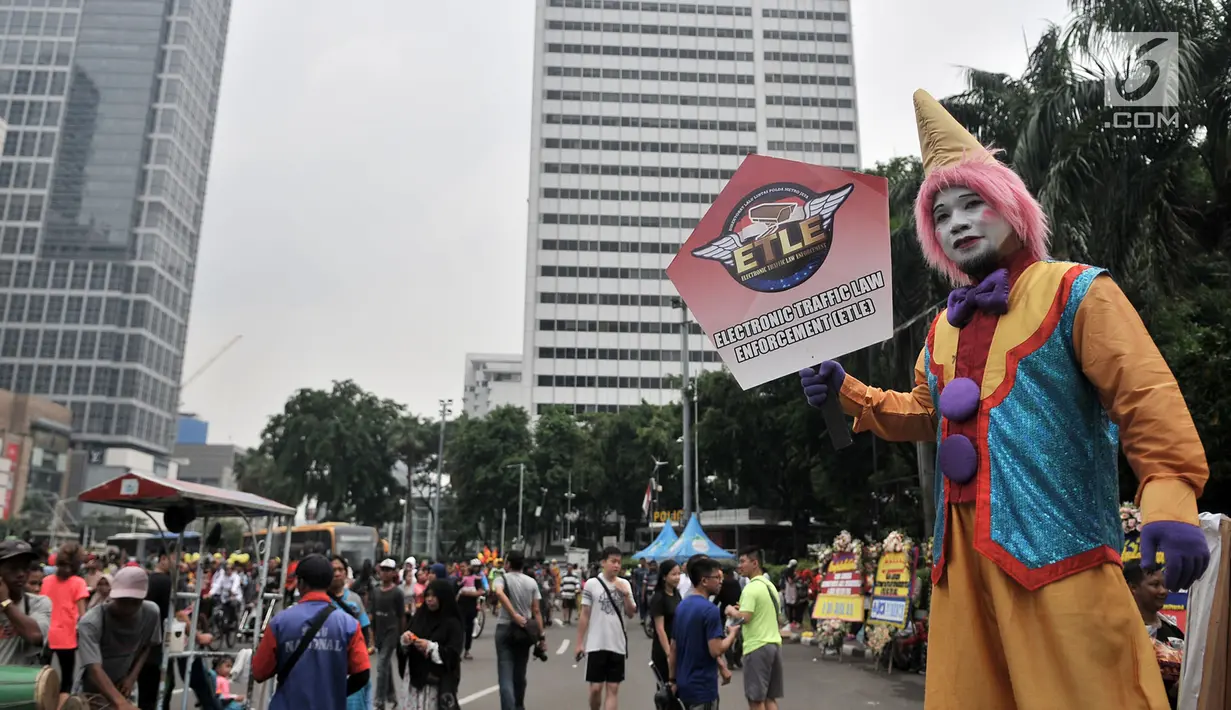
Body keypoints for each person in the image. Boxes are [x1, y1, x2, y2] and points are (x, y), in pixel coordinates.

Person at [798, 88, 1210, 710]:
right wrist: (846, 391)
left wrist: (1172, 499)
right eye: (942, 214)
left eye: (973, 203)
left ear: (1012, 209)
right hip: (960, 575)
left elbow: (1145, 400)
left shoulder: (1075, 291)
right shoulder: (941, 331)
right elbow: (926, 415)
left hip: (1060, 557)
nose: (958, 222)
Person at [252, 554, 371, 710]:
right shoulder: (350, 625)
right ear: (328, 583)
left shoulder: (279, 623)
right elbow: (362, 675)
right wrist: (337, 694)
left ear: (300, 583)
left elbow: (259, 672)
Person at [76, 567, 163, 710]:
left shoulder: (151, 613)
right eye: (123, 601)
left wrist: (131, 678)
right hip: (92, 690)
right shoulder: (91, 622)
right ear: (114, 596)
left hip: (124, 685)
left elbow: (147, 646)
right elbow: (94, 668)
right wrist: (120, 703)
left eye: (134, 602)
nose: (128, 608)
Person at [669, 558, 740, 710]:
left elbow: (673, 647)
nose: (721, 581)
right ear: (704, 581)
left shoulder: (682, 606)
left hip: (684, 685)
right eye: (717, 578)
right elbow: (716, 649)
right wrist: (732, 634)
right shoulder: (710, 610)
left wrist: (672, 680)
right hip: (703, 688)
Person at [577, 546, 637, 710]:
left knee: (613, 689)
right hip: (596, 644)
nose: (616, 566)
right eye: (613, 562)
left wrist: (625, 595)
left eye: (619, 562)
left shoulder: (625, 584)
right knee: (596, 688)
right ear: (603, 562)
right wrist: (579, 643)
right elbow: (585, 614)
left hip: (617, 644)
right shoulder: (591, 584)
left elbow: (631, 613)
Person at [726, 546, 782, 710]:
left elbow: (745, 617)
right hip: (774, 645)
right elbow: (770, 613)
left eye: (743, 561)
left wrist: (730, 611)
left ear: (755, 563)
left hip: (757, 646)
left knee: (756, 699)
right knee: (769, 698)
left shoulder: (751, 587)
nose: (739, 566)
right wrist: (742, 609)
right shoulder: (769, 586)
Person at [1124, 560, 1184, 708]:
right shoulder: (1124, 633)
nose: (1163, 591)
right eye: (1155, 585)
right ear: (1133, 587)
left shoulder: (1174, 630)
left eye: (1164, 585)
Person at [400, 578, 465, 710]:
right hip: (415, 680)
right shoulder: (419, 617)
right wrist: (405, 641)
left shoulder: (452, 623)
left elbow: (453, 654)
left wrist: (430, 647)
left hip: (436, 683)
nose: (430, 599)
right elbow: (404, 646)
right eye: (428, 595)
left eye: (434, 596)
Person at [492, 550, 545, 710]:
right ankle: (519, 706)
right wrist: (541, 637)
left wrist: (513, 615)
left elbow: (499, 593)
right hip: (525, 631)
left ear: (508, 564)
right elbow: (536, 611)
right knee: (520, 673)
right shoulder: (531, 583)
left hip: (505, 628)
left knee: (505, 674)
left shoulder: (502, 579)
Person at [44, 541, 89, 705]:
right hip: (67, 637)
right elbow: (83, 615)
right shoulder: (78, 582)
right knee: (66, 680)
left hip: (46, 636)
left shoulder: (46, 580)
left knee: (42, 679)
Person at [330, 555, 375, 710]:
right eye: (333, 570)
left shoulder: (354, 599)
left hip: (352, 662)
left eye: (340, 569)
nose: (337, 573)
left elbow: (364, 628)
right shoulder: (321, 599)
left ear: (345, 572)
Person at [0, 540, 50, 666]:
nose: (21, 574)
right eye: (13, 568)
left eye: (25, 568)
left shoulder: (38, 603)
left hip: (18, 684)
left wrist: (5, 602)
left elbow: (35, 636)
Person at [372, 558, 406, 710]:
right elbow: (372, 614)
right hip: (379, 631)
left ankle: (379, 701)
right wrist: (371, 636)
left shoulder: (397, 593)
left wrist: (402, 635)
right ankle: (391, 696)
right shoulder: (375, 591)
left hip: (392, 632)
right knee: (385, 666)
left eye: (388, 570)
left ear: (393, 573)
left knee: (381, 665)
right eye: (383, 569)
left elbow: (401, 615)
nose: (384, 573)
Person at [648, 559, 682, 684]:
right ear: (664, 577)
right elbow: (660, 629)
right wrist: (669, 654)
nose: (677, 577)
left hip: (677, 646)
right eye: (673, 574)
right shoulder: (658, 598)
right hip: (663, 650)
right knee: (667, 690)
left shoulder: (677, 594)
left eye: (679, 574)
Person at [457, 558, 487, 661]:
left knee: (469, 630)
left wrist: (468, 593)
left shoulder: (477, 579)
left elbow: (480, 591)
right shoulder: (459, 579)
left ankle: (467, 650)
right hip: (460, 607)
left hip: (471, 607)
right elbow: (455, 590)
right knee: (459, 630)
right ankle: (458, 651)